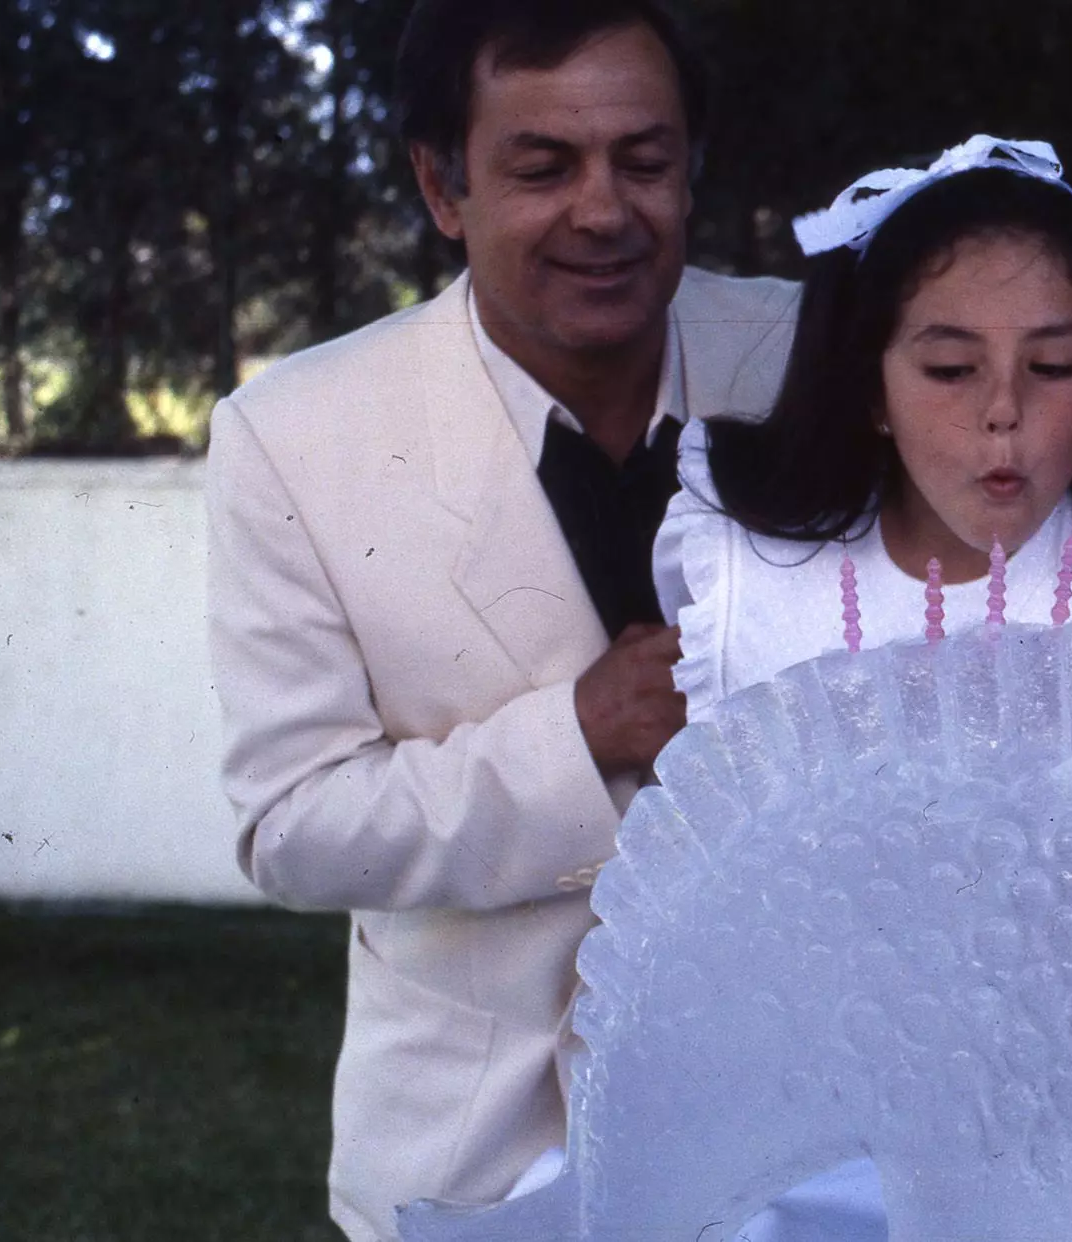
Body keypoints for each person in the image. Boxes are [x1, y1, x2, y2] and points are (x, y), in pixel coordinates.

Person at [202, 2, 797, 1236]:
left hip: (801, 1138)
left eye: (644, 160)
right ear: (441, 185)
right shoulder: (292, 436)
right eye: (542, 167)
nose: (603, 210)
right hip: (472, 1164)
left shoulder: (812, 359)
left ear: (693, 167)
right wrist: (578, 738)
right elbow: (291, 822)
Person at [657, 136, 1072, 723]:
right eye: (951, 370)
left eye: (1052, 367)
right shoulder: (743, 564)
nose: (1003, 409)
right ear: (872, 387)